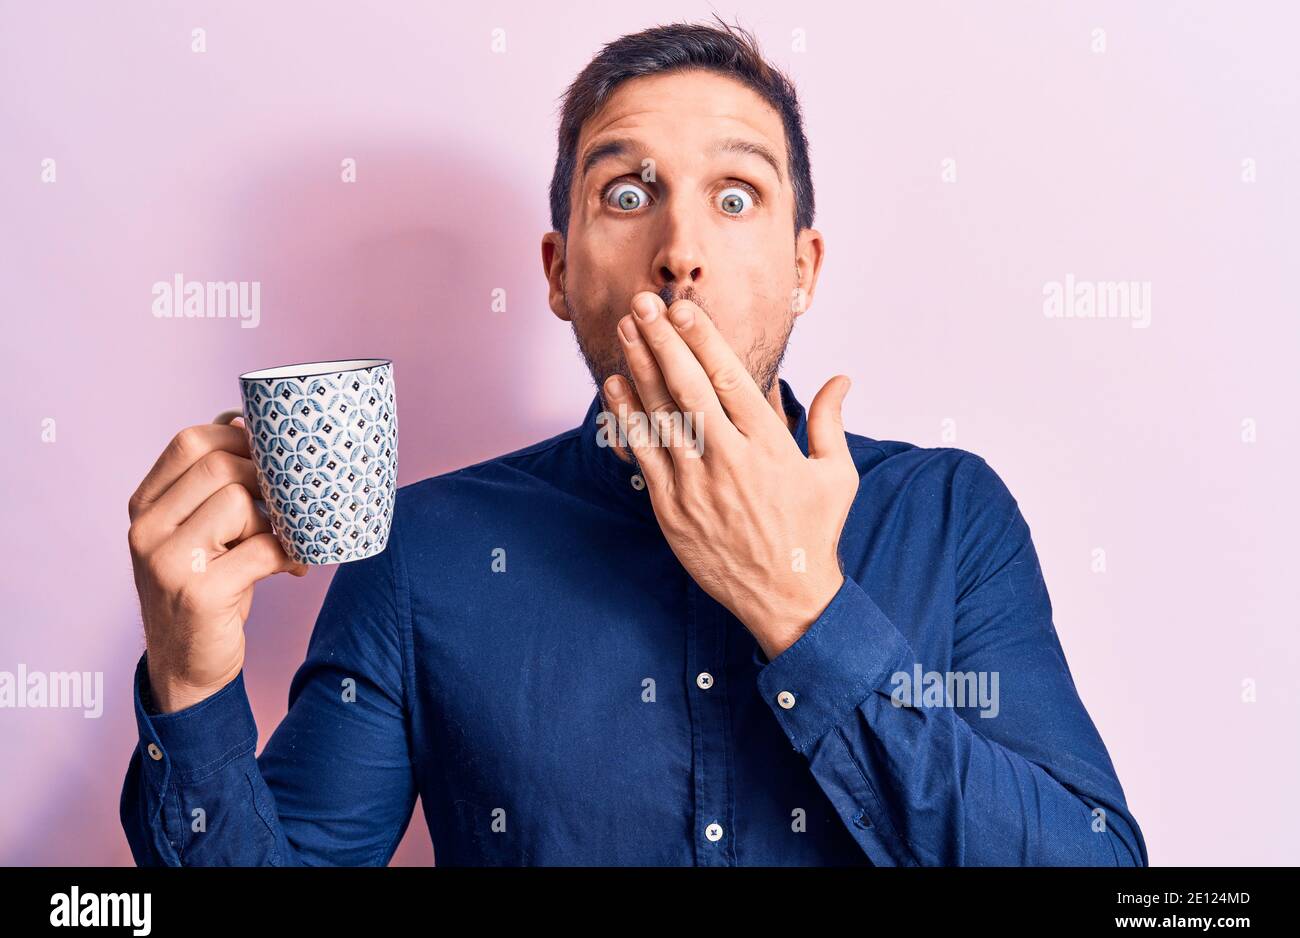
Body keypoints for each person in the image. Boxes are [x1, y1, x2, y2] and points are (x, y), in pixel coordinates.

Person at [121, 17, 1147, 866]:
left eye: (734, 197)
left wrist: (803, 609)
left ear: (804, 267)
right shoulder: (418, 556)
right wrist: (190, 683)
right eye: (627, 193)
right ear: (559, 271)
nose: (680, 253)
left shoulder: (950, 514)